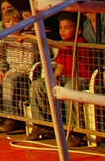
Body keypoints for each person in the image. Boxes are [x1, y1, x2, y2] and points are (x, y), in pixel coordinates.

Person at [28, 14, 91, 145]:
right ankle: (43, 126)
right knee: (38, 85)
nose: (62, 31)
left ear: (78, 30)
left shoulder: (80, 42)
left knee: (69, 88)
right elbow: (60, 67)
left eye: (67, 27)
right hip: (65, 77)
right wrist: (54, 78)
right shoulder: (63, 45)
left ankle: (75, 132)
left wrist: (32, 37)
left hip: (81, 79)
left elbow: (58, 45)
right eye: (61, 27)